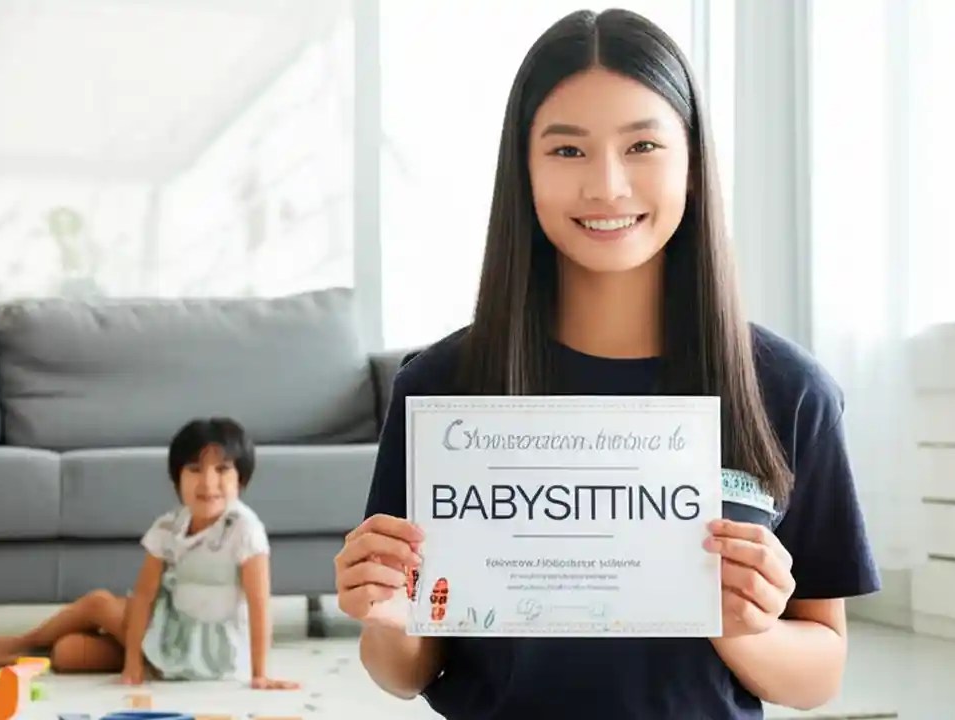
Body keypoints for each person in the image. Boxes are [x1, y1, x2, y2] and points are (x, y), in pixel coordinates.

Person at [334, 7, 880, 719]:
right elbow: (406, 671)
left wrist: (745, 629)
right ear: (522, 170)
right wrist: (385, 615)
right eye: (567, 151)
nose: (608, 187)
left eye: (643, 146)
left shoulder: (787, 390)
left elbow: (818, 676)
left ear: (692, 161)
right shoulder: (441, 390)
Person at [0, 417, 299, 691]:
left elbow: (259, 604)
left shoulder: (245, 530)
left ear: (241, 481)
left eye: (222, 470)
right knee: (67, 653)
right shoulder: (170, 526)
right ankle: (20, 659)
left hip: (211, 650)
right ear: (177, 480)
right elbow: (144, 596)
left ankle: (19, 644)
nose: (208, 482)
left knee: (98, 602)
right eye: (195, 469)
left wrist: (259, 672)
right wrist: (133, 663)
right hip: (169, 628)